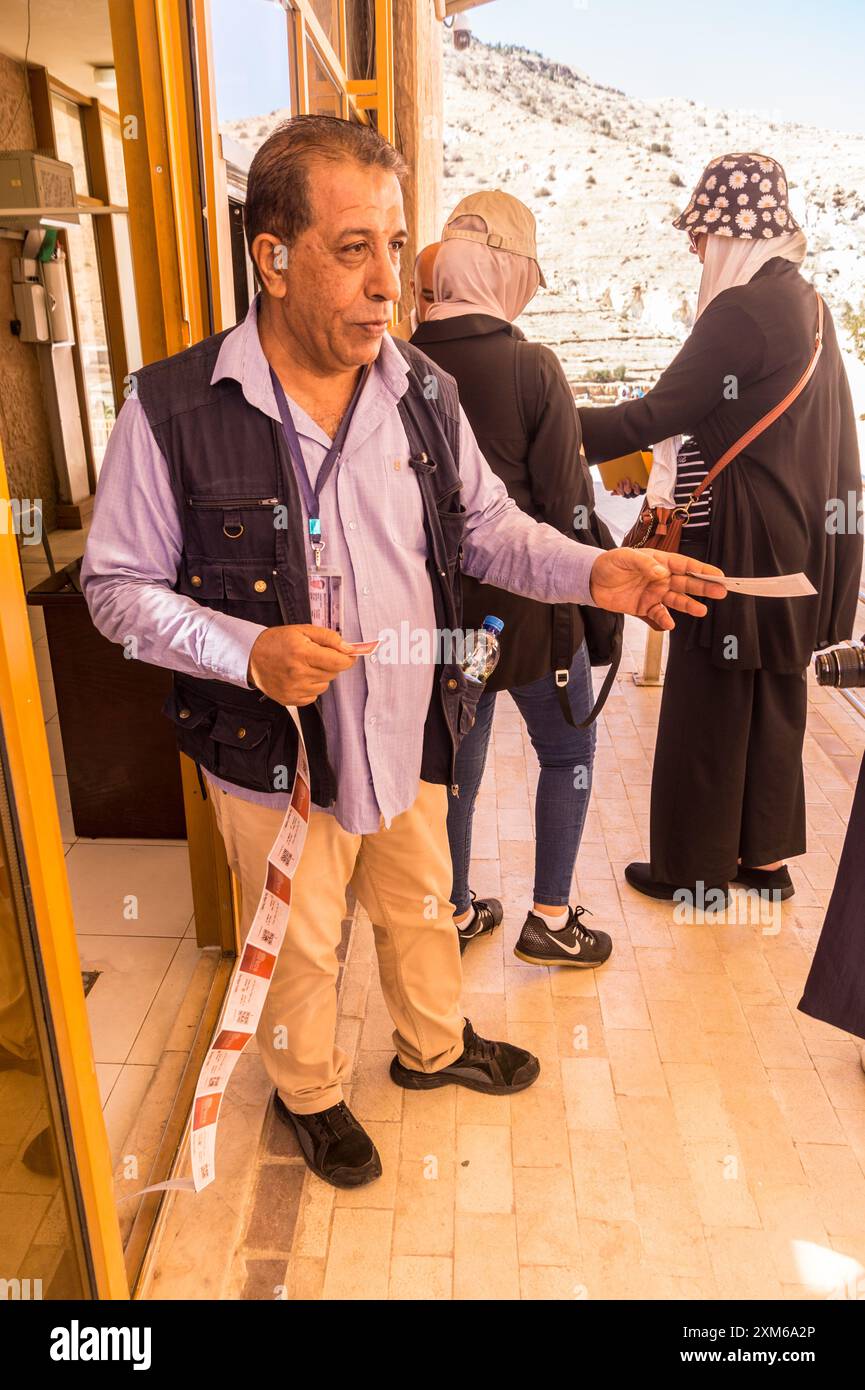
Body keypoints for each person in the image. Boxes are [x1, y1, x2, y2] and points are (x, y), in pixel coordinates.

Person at [81, 115, 725, 1190]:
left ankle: (433, 1049)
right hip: (271, 753)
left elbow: (485, 528)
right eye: (353, 249)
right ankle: (311, 1094)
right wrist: (245, 652)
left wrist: (591, 566)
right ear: (272, 258)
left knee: (426, 903)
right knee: (302, 943)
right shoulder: (170, 409)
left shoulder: (422, 389)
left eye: (395, 245)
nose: (390, 283)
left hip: (411, 725)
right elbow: (113, 590)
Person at [579, 152, 863, 905]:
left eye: (700, 234)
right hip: (795, 542)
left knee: (708, 698)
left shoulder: (738, 312)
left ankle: (691, 870)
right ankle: (763, 862)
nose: (695, 251)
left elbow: (653, 415)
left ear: (726, 230)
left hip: (734, 541)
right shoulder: (807, 304)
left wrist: (542, 426)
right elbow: (837, 441)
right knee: (772, 696)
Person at [412, 190, 610, 968]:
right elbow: (567, 506)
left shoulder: (396, 364)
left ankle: (455, 912)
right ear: (507, 272)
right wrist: (598, 610)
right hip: (531, 612)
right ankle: (551, 920)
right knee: (569, 753)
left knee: (457, 764)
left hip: (442, 618)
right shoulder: (532, 365)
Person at [391, 241, 440, 340]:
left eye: (450, 299)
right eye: (430, 298)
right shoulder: (388, 348)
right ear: (413, 290)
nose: (439, 310)